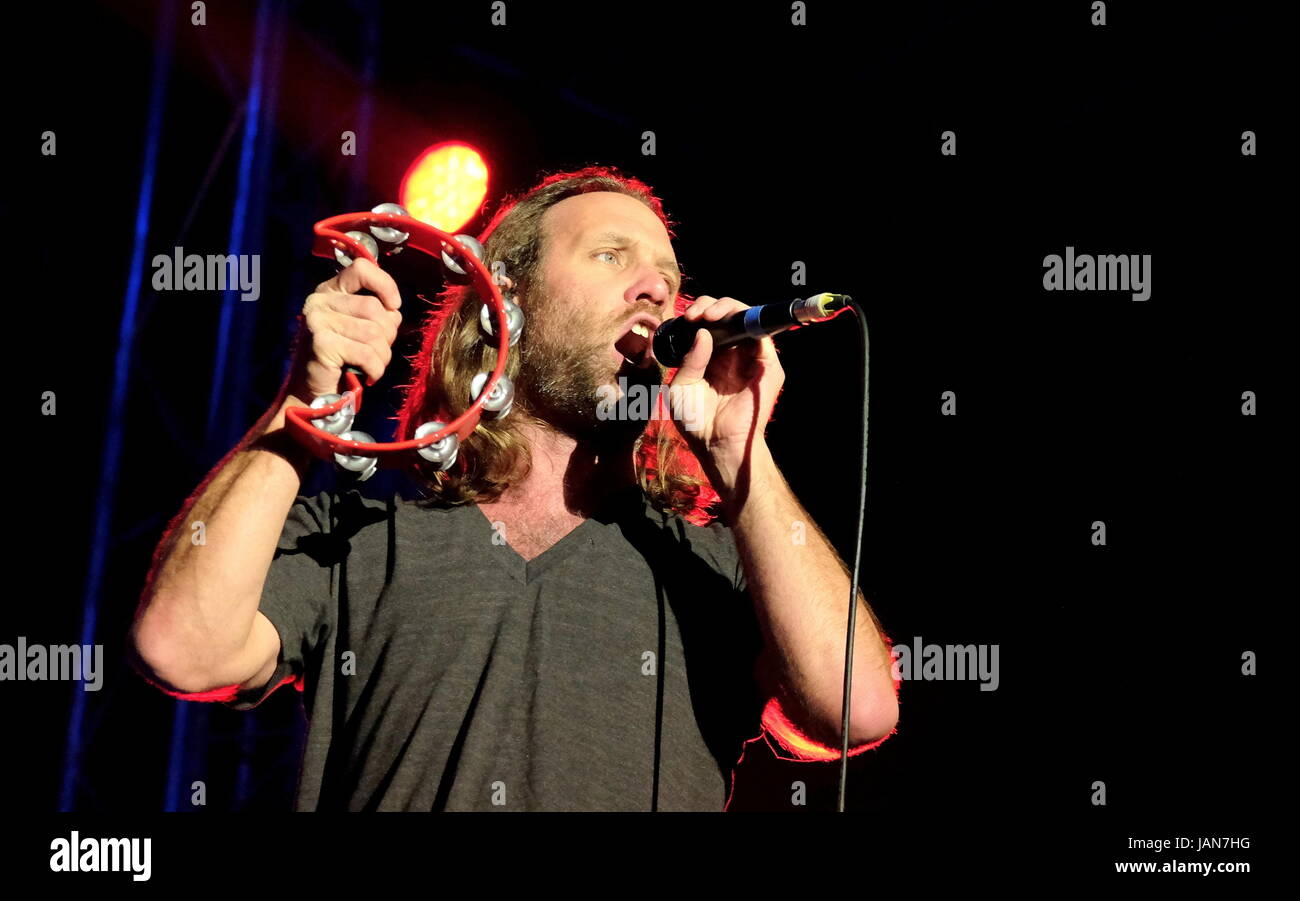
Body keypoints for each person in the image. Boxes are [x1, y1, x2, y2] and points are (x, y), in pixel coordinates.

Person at [128, 166, 899, 811]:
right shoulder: (363, 535)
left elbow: (858, 705)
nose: (656, 292)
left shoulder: (709, 564)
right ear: (509, 299)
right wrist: (303, 410)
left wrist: (743, 460)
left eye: (667, 278)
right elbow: (182, 649)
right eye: (611, 256)